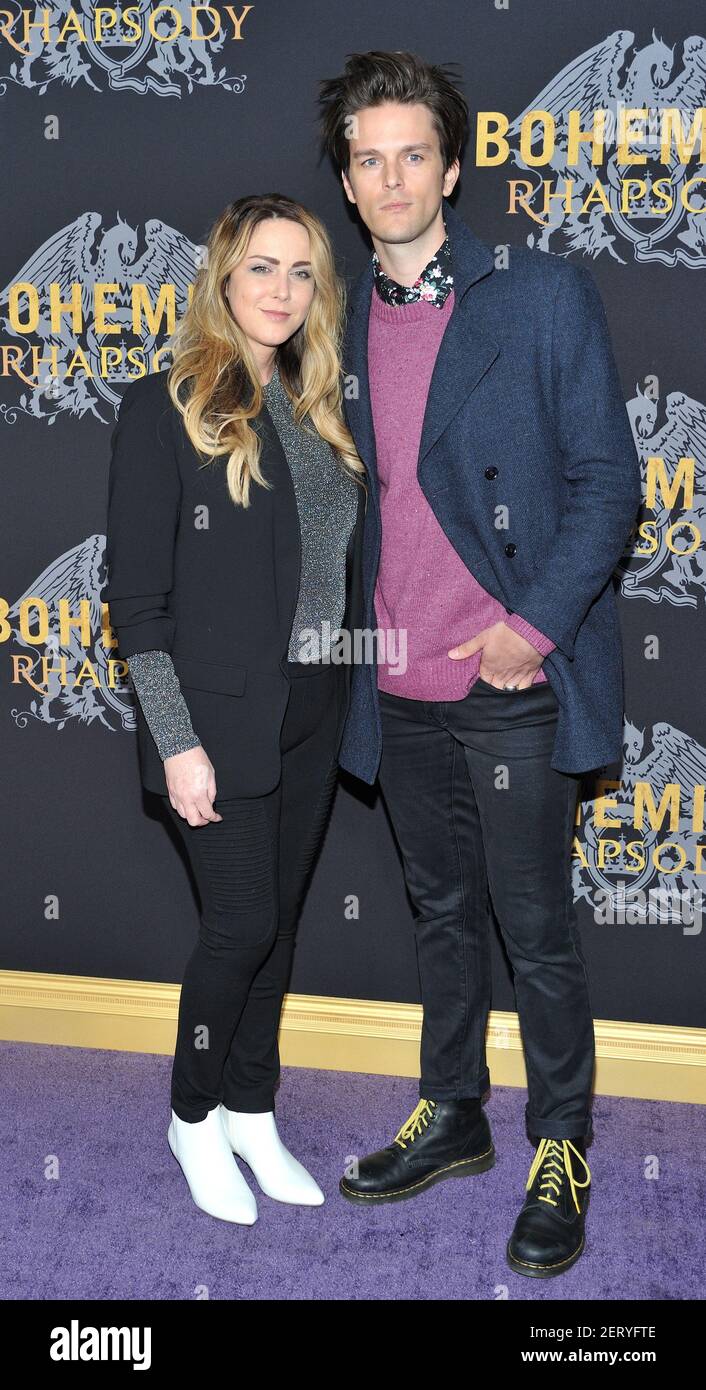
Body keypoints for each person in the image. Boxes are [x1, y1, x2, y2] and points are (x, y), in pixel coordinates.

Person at [318, 51, 642, 1277]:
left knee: (536, 928)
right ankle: (452, 1110)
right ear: (347, 183)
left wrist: (533, 628)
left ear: (451, 167)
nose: (391, 177)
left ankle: (561, 1142)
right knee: (441, 915)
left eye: (413, 153)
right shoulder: (335, 318)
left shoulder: (539, 295)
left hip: (506, 679)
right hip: (393, 679)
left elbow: (609, 482)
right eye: (368, 158)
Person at [104, 193, 367, 1224]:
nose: (282, 291)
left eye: (301, 273)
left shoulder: (316, 404)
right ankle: (193, 1112)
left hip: (313, 703)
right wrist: (176, 742)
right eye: (262, 267)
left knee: (282, 925)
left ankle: (253, 1110)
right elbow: (137, 603)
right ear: (222, 276)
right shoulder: (160, 407)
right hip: (212, 720)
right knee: (240, 922)